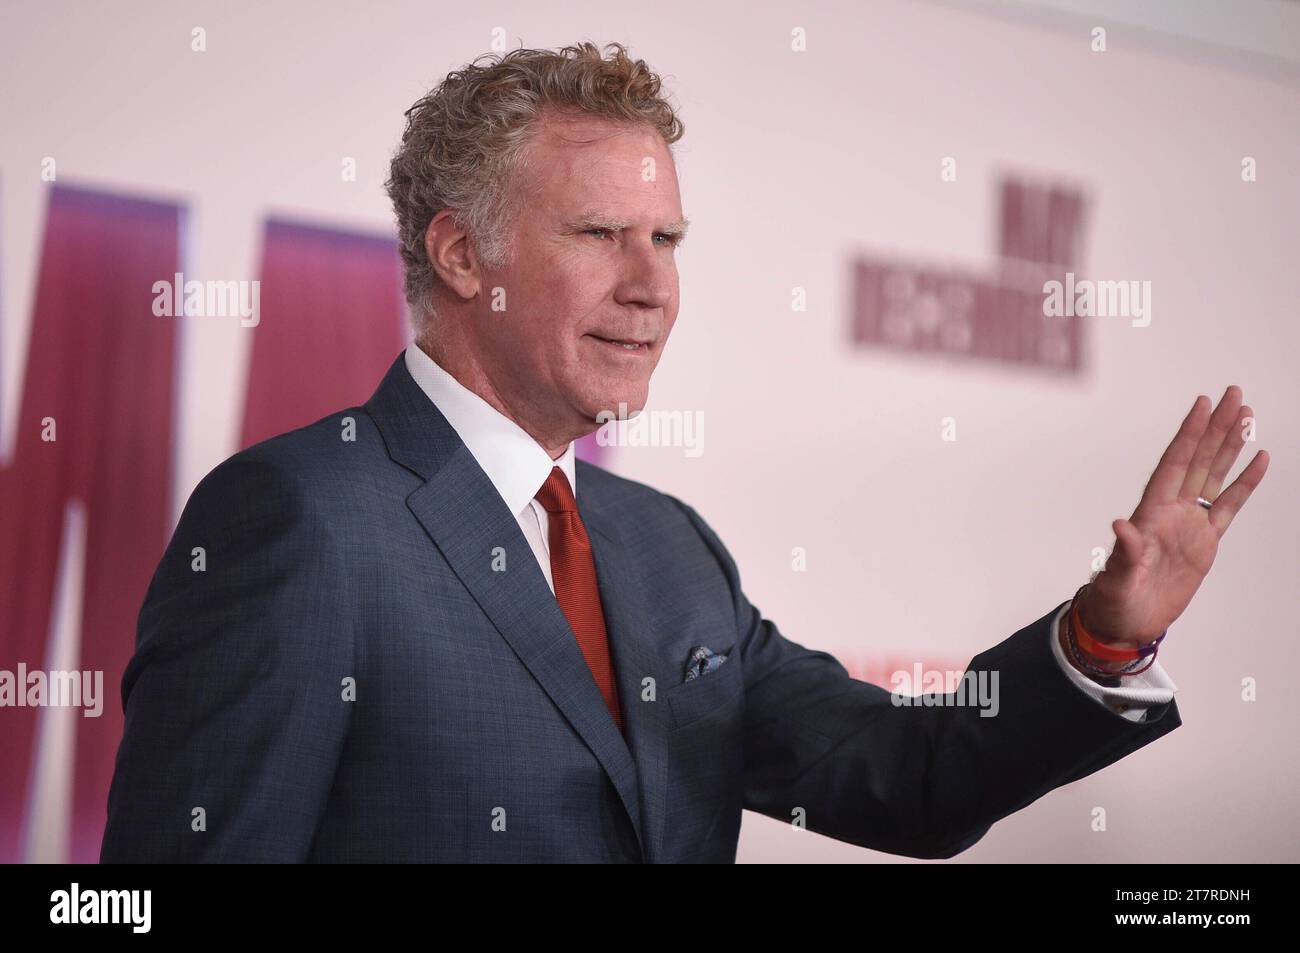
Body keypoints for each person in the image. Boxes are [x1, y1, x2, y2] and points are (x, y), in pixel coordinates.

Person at [100, 42, 1269, 863]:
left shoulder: (666, 549)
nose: (652, 285)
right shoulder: (299, 520)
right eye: (600, 234)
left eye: (665, 237)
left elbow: (909, 778)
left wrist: (1102, 637)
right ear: (462, 255)